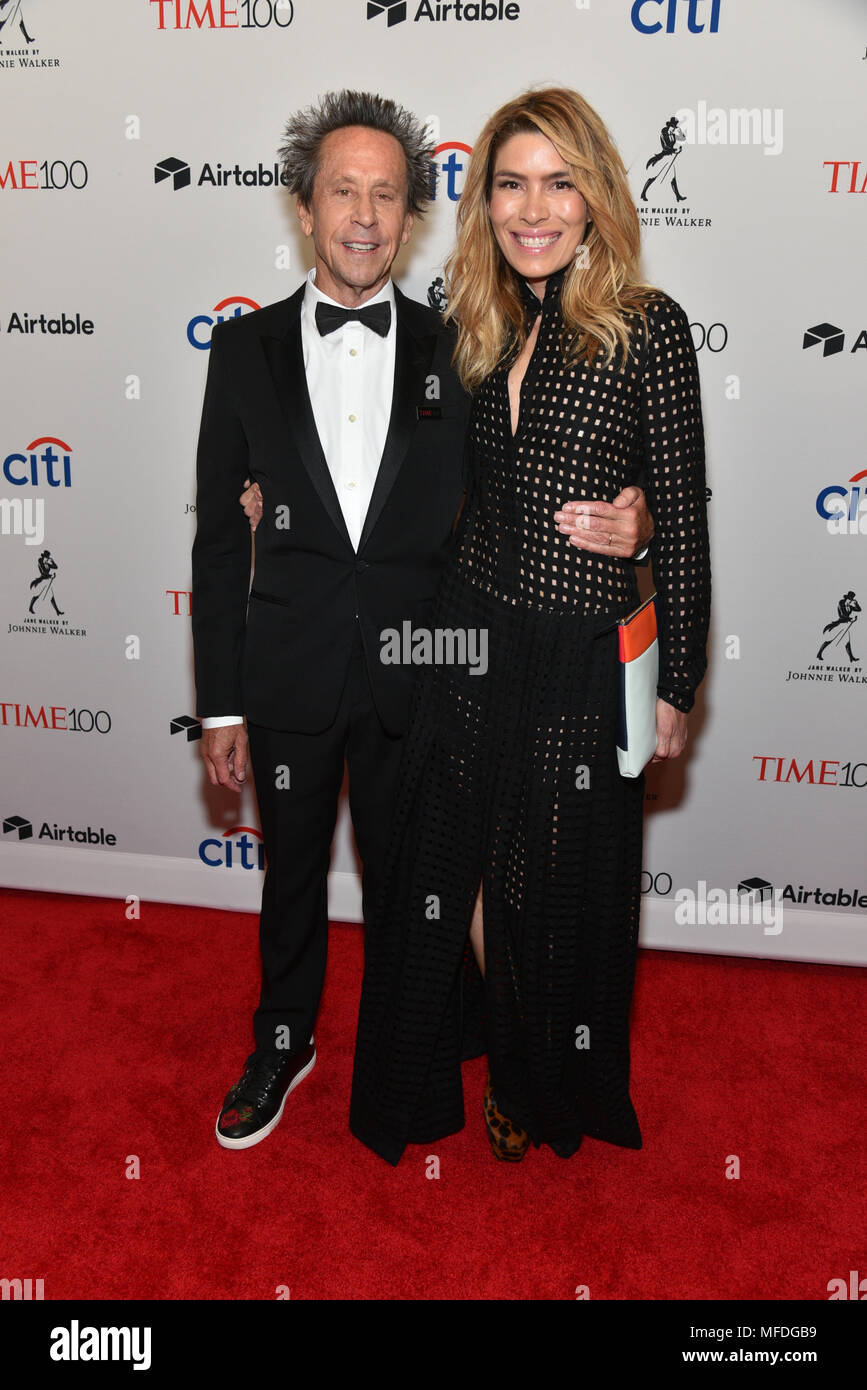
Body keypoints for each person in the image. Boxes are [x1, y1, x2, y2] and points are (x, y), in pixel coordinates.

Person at [192, 90, 655, 1152]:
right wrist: (218, 701)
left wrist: (637, 518)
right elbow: (221, 543)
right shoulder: (243, 351)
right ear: (304, 209)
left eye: (387, 195)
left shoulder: (468, 343)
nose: (363, 215)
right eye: (342, 192)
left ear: (413, 217)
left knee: (431, 883)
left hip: (433, 665)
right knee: (293, 872)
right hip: (294, 664)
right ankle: (283, 1036)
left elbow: (540, 470)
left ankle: (452, 1048)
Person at [348, 87, 711, 1166]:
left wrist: (679, 679)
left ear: (595, 194)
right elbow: (394, 457)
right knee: (444, 858)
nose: (533, 207)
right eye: (511, 182)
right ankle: (498, 1040)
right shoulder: (475, 317)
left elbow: (680, 516)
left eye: (558, 181)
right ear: (486, 200)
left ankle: (533, 1064)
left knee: (545, 877)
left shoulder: (648, 327)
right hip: (467, 633)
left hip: (573, 647)